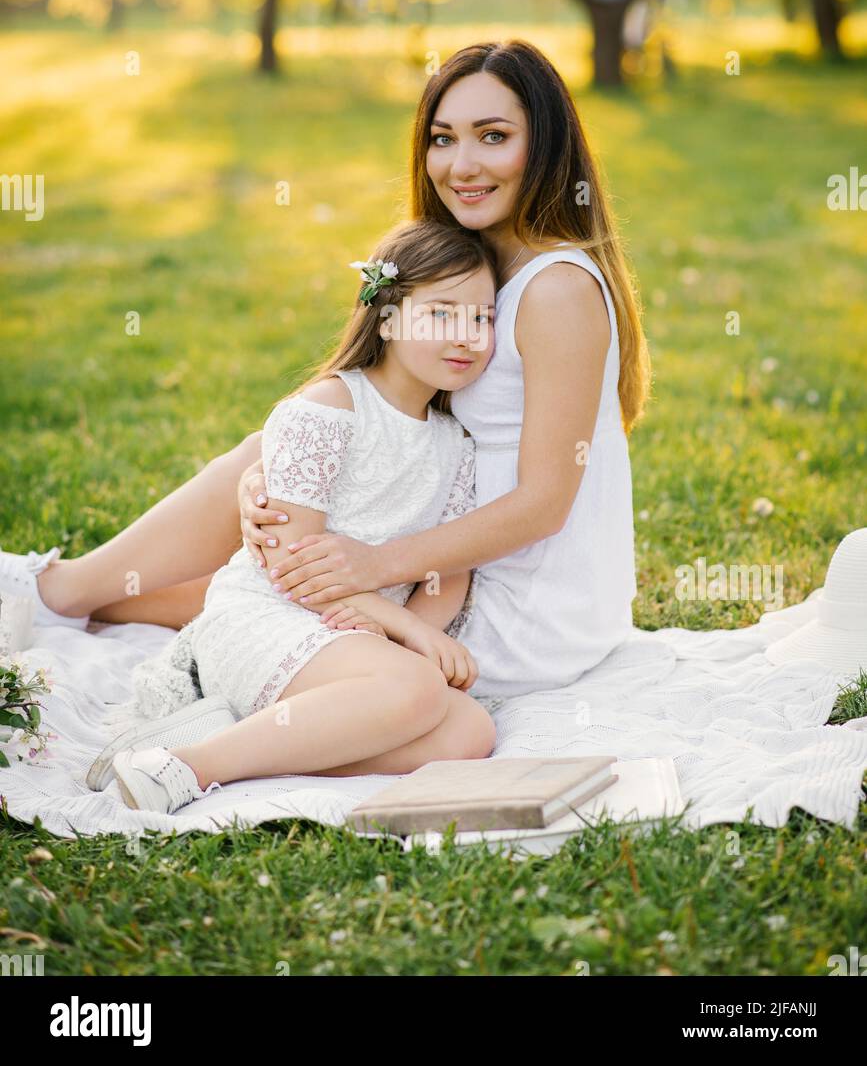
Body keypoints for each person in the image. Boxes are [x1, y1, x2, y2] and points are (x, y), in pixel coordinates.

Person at [0, 39, 650, 721]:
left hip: (510, 600)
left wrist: (375, 563)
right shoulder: (478, 266)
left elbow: (545, 503)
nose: (461, 165)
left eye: (493, 137)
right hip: (441, 540)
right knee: (272, 508)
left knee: (281, 586)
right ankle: (68, 599)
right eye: (441, 138)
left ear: (544, 147)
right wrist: (275, 484)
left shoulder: (556, 290)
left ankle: (56, 592)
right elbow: (379, 407)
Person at [108, 219, 500, 813]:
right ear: (388, 319)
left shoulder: (455, 445)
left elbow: (448, 568)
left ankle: (236, 744)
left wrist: (416, 633)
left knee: (470, 732)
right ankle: (186, 768)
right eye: (442, 314)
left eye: (483, 318)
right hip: (271, 618)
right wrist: (406, 633)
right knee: (415, 690)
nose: (468, 336)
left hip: (358, 643)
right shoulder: (328, 408)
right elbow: (291, 565)